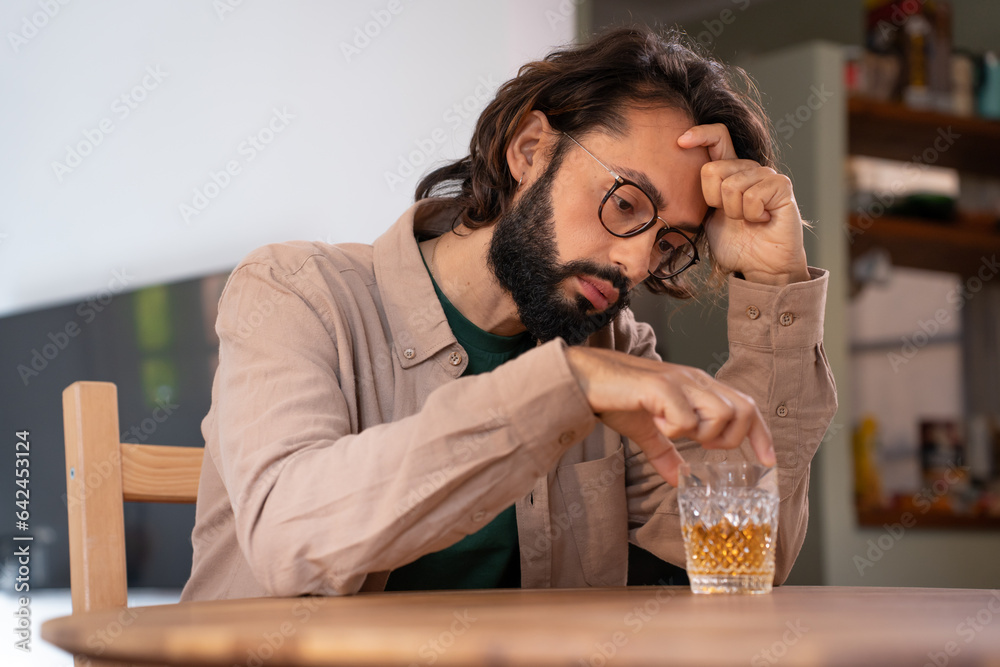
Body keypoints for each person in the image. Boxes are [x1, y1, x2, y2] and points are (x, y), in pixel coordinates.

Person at [180, 25, 837, 600]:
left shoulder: (615, 350)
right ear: (528, 149)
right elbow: (288, 538)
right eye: (626, 203)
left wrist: (773, 279)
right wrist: (561, 389)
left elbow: (753, 554)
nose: (637, 263)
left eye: (669, 243)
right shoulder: (296, 293)